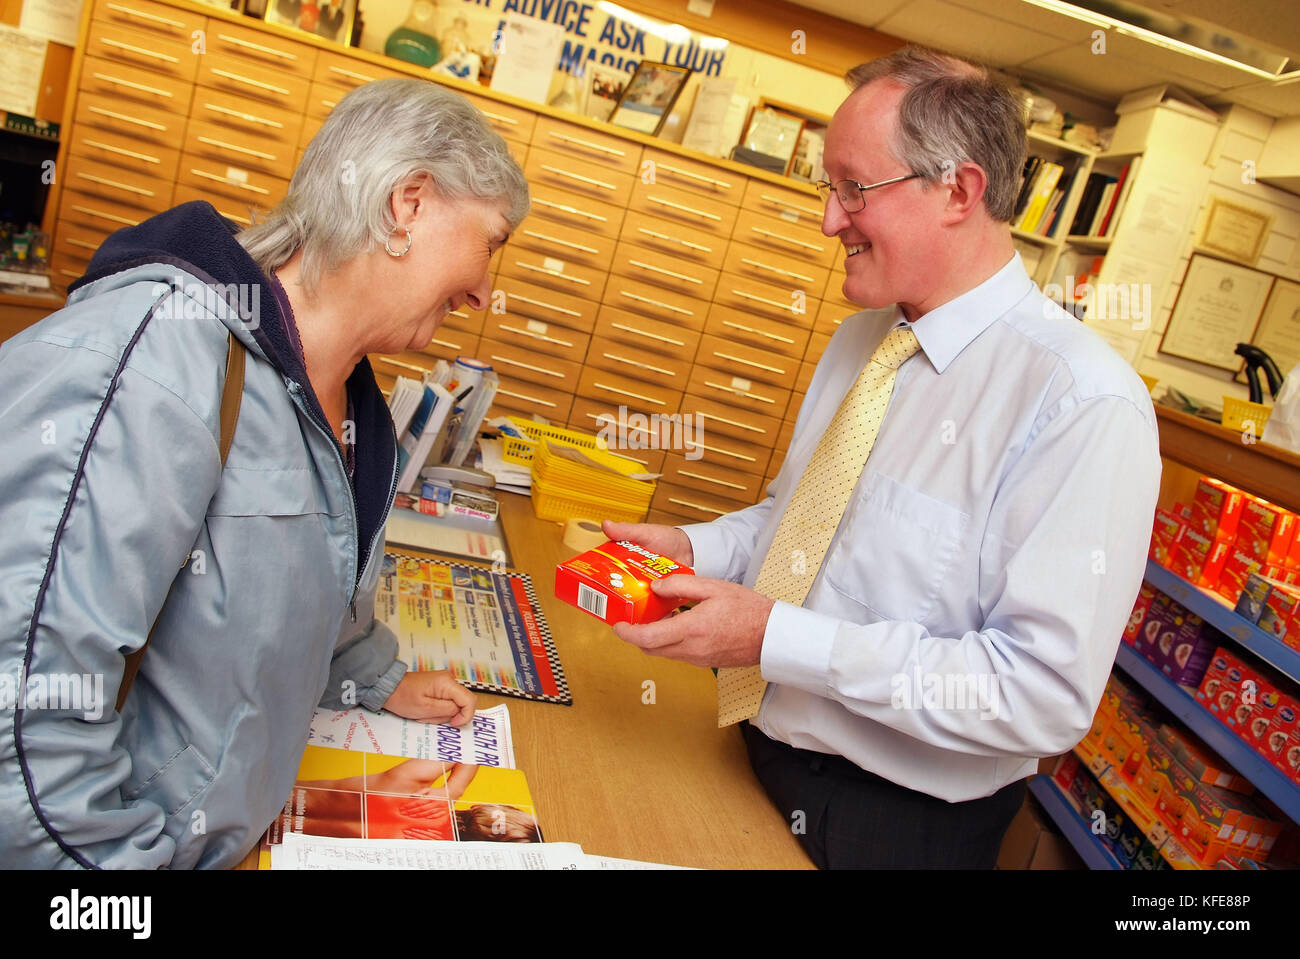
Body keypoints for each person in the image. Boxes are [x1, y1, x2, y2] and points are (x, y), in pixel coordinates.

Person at [604, 46, 1161, 868]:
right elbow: (807, 518)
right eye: (829, 187)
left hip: (892, 827)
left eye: (854, 188)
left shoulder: (1082, 402)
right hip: (758, 749)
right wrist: (698, 548)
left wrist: (775, 638)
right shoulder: (866, 337)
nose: (830, 218)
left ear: (959, 192)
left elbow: (1038, 694)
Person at [0, 76, 529, 868]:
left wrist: (370, 675)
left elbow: (295, 578)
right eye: (491, 244)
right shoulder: (152, 362)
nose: (487, 292)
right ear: (409, 202)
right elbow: (24, 736)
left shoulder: (352, 401)